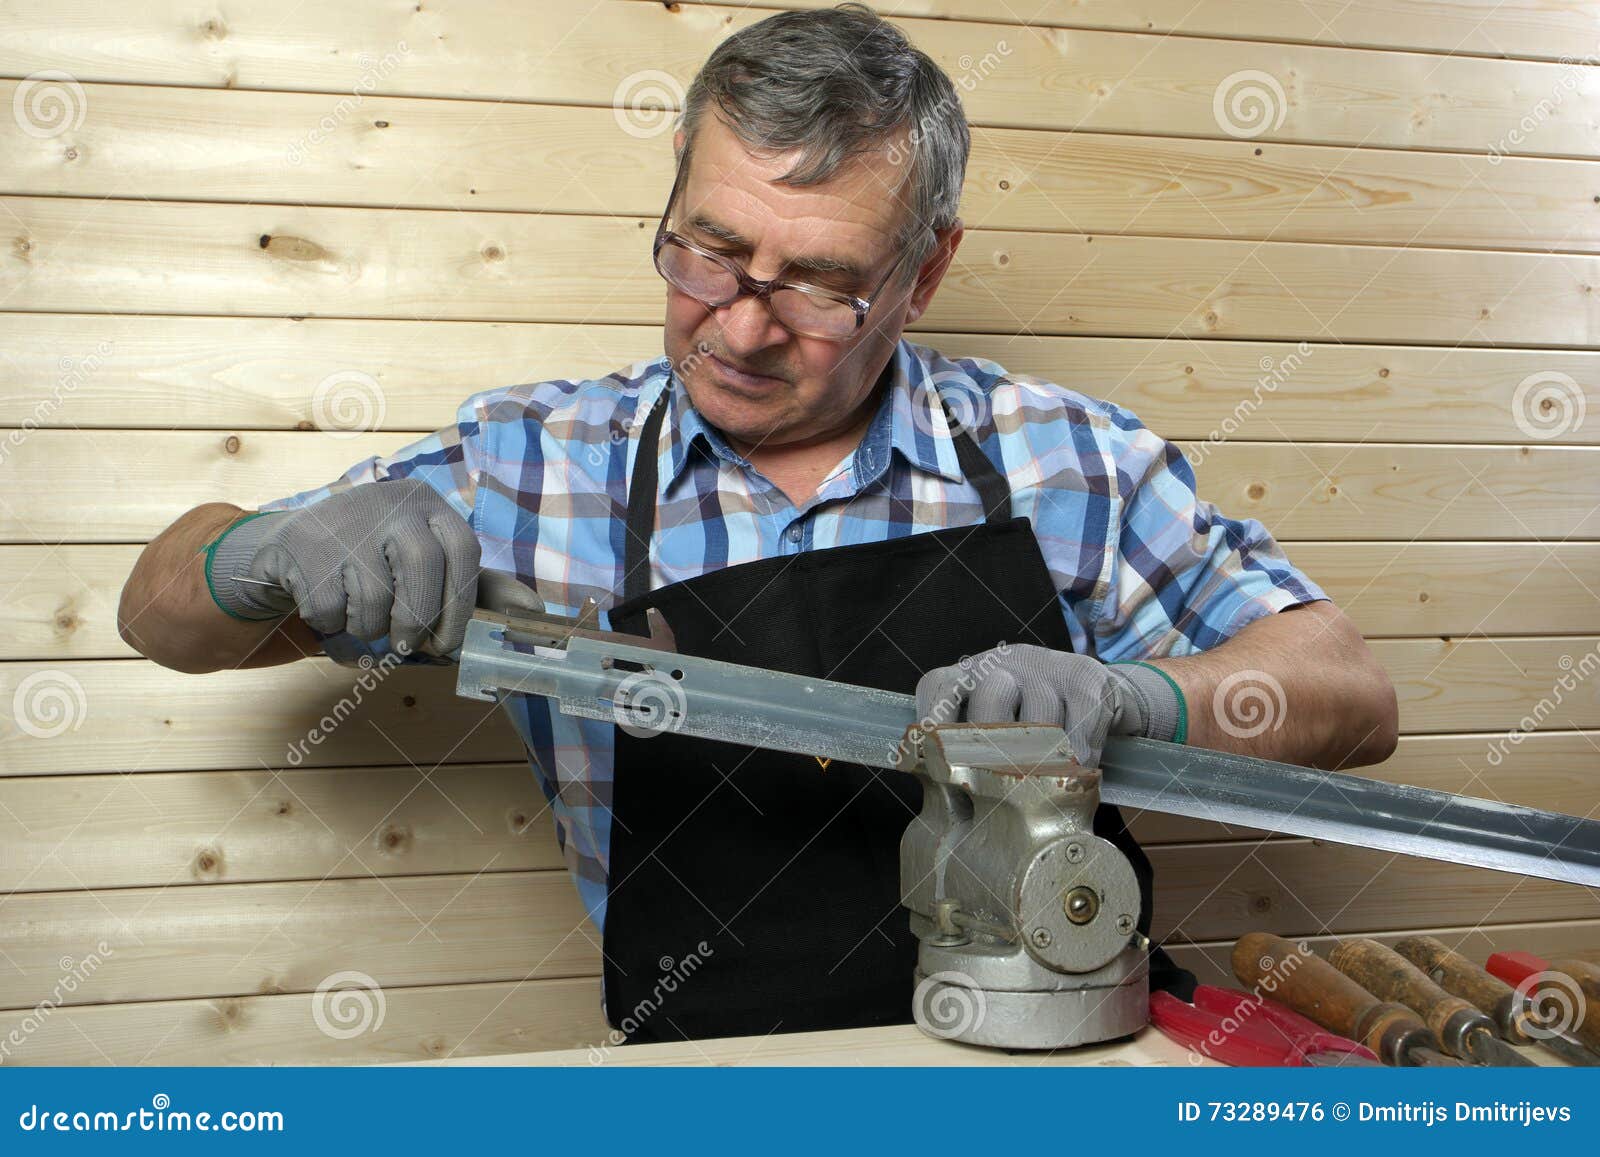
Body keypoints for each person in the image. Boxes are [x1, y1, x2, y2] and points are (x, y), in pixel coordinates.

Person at [119, 4, 1398, 1043]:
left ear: (923, 273)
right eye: (708, 252)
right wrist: (258, 552)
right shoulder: (529, 465)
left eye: (822, 284)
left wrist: (1135, 700)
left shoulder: (1065, 457)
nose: (737, 325)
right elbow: (160, 614)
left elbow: (1348, 690)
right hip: (724, 1087)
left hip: (1064, 1060)